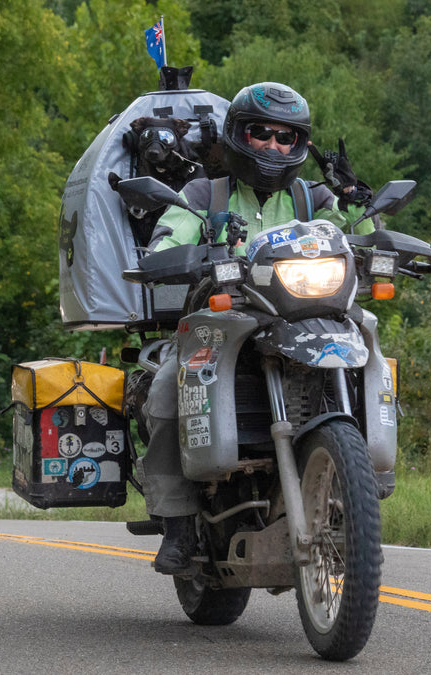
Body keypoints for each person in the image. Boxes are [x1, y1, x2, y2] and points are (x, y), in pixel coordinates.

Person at [139, 81, 375, 575]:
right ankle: (177, 522)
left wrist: (354, 199)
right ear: (238, 135)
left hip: (305, 315)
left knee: (372, 349)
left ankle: (363, 479)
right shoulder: (205, 193)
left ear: (300, 145)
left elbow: (361, 242)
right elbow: (163, 245)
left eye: (286, 137)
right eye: (261, 133)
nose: (273, 145)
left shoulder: (313, 198)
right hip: (226, 316)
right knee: (165, 391)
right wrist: (197, 245)